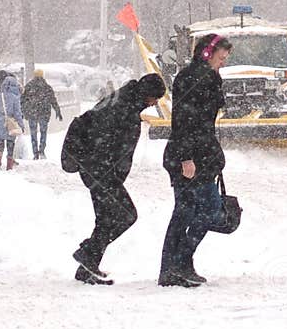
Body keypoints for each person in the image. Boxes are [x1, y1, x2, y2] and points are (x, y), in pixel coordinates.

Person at [61, 74, 167, 285]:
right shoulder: (123, 106)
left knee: (106, 219)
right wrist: (108, 169)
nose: (154, 103)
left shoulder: (124, 100)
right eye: (155, 98)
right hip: (99, 171)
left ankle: (86, 268)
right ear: (147, 94)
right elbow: (104, 138)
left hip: (98, 169)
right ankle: (88, 254)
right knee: (127, 215)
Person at [159, 34, 232, 288]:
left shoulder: (205, 76)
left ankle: (175, 267)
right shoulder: (195, 78)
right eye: (220, 58)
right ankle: (179, 262)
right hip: (190, 158)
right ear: (207, 53)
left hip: (200, 156)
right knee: (209, 210)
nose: (222, 63)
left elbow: (202, 123)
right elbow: (184, 121)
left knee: (185, 212)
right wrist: (186, 158)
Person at [0, 70, 25, 170]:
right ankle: (9, 163)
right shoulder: (15, 98)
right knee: (10, 143)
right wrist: (21, 125)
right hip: (10, 121)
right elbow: (18, 113)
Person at [21, 68, 63, 160]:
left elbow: (23, 100)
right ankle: (42, 150)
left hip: (32, 113)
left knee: (33, 133)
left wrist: (22, 112)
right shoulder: (47, 87)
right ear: (42, 76)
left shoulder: (28, 86)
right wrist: (57, 111)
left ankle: (35, 152)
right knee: (43, 132)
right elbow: (53, 100)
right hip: (44, 113)